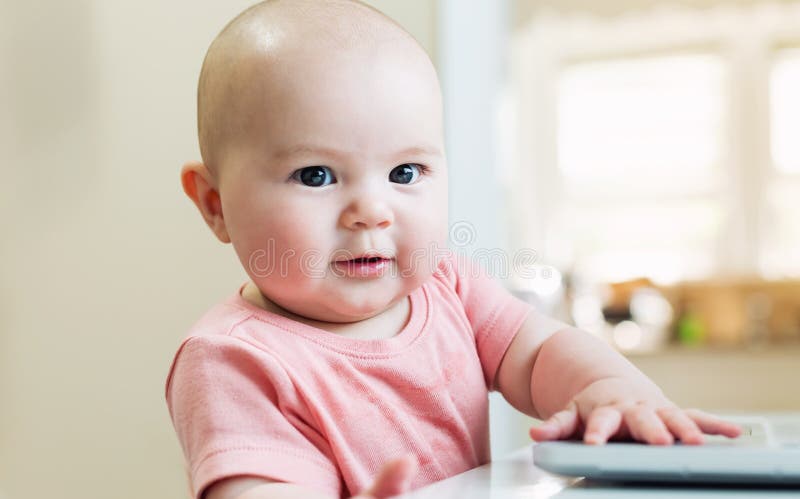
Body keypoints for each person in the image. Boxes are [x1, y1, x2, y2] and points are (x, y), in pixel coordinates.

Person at [166, 1, 742, 498]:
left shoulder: (450, 287)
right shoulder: (233, 360)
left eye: (405, 171)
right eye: (315, 175)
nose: (372, 209)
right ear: (215, 204)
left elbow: (540, 354)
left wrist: (609, 391)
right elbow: (261, 486)